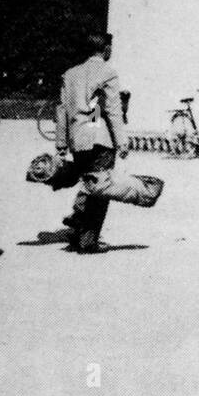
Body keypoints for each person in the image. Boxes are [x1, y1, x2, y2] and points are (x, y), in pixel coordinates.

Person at [54, 32, 129, 253]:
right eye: (110, 48)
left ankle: (79, 224)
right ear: (105, 49)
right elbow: (112, 109)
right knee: (101, 188)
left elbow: (63, 111)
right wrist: (121, 141)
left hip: (79, 137)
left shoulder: (70, 74)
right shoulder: (108, 73)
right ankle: (88, 239)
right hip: (100, 139)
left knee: (88, 181)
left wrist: (61, 145)